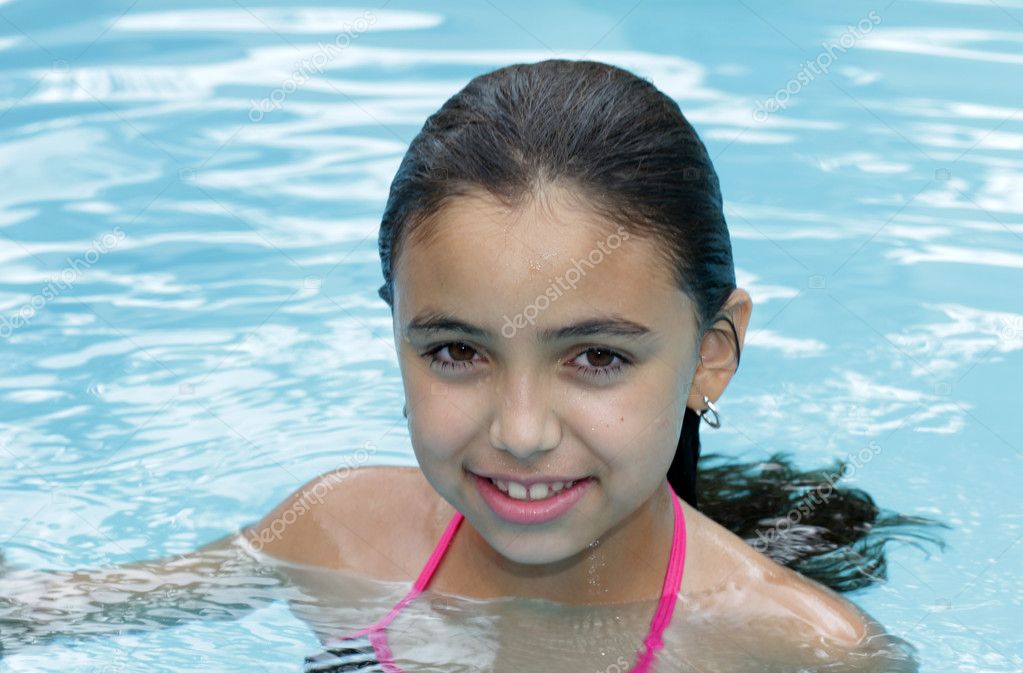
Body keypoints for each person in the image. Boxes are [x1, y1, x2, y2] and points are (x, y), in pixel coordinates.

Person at [1, 59, 939, 672]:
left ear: (710, 356)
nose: (519, 432)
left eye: (597, 356)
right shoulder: (338, 536)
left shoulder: (797, 651)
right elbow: (49, 613)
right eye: (456, 351)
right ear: (394, 331)